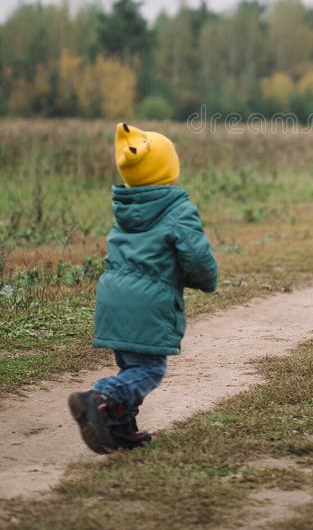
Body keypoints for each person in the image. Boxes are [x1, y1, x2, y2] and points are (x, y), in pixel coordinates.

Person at [68, 122, 218, 453]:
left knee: (132, 366)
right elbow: (196, 255)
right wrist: (206, 280)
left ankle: (121, 429)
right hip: (146, 305)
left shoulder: (127, 208)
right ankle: (102, 397)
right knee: (148, 369)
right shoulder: (177, 210)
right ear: (168, 170)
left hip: (112, 300)